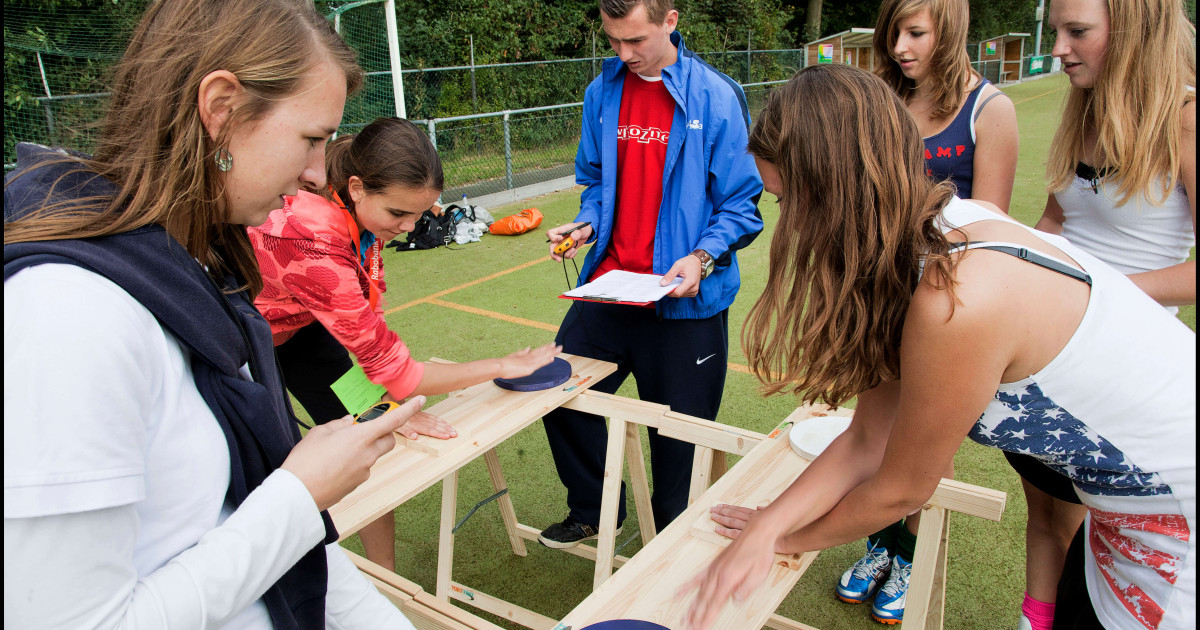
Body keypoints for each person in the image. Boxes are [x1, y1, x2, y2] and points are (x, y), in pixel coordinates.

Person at [682, 64, 1195, 630]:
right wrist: (765, 525)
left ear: (836, 188)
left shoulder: (959, 295)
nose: (793, 225)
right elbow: (867, 439)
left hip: (1177, 526)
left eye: (789, 201)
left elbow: (900, 489)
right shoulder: (930, 242)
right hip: (1120, 517)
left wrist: (782, 541)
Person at [4, 0, 432, 627]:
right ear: (221, 108)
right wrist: (299, 494)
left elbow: (254, 523)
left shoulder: (200, 265)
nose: (319, 174)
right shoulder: (67, 314)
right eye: (311, 140)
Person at [247, 116, 560, 570]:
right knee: (275, 470)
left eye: (419, 213)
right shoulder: (315, 240)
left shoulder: (359, 217)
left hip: (299, 327)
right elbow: (401, 377)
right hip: (243, 338)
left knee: (370, 434)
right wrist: (499, 365)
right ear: (356, 188)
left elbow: (371, 330)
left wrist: (381, 405)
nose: (412, 227)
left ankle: (383, 580)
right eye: (399, 214)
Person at [538, 0, 764, 548]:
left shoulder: (716, 96)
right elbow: (596, 183)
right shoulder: (602, 92)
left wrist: (703, 256)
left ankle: (672, 544)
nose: (624, 53)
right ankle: (597, 507)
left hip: (685, 298)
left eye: (636, 40)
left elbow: (743, 206)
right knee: (556, 392)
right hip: (610, 289)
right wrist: (586, 226)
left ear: (671, 20)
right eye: (614, 40)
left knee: (679, 439)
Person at [830, 0, 1022, 623]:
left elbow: (990, 230)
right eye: (894, 34)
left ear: (952, 28)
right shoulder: (883, 100)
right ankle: (876, 546)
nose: (902, 47)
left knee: (923, 441)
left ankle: (907, 555)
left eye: (916, 32)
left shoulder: (990, 110)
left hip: (946, 309)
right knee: (873, 432)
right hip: (878, 295)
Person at [1008, 1, 1195, 628]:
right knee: (1047, 514)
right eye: (1058, 30)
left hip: (1121, 381)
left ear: (1137, 31)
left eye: (1077, 32)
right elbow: (1060, 221)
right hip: (1056, 367)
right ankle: (1036, 618)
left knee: (1096, 530)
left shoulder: (1187, 120)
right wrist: (1009, 267)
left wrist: (1094, 297)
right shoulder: (1084, 108)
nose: (1057, 47)